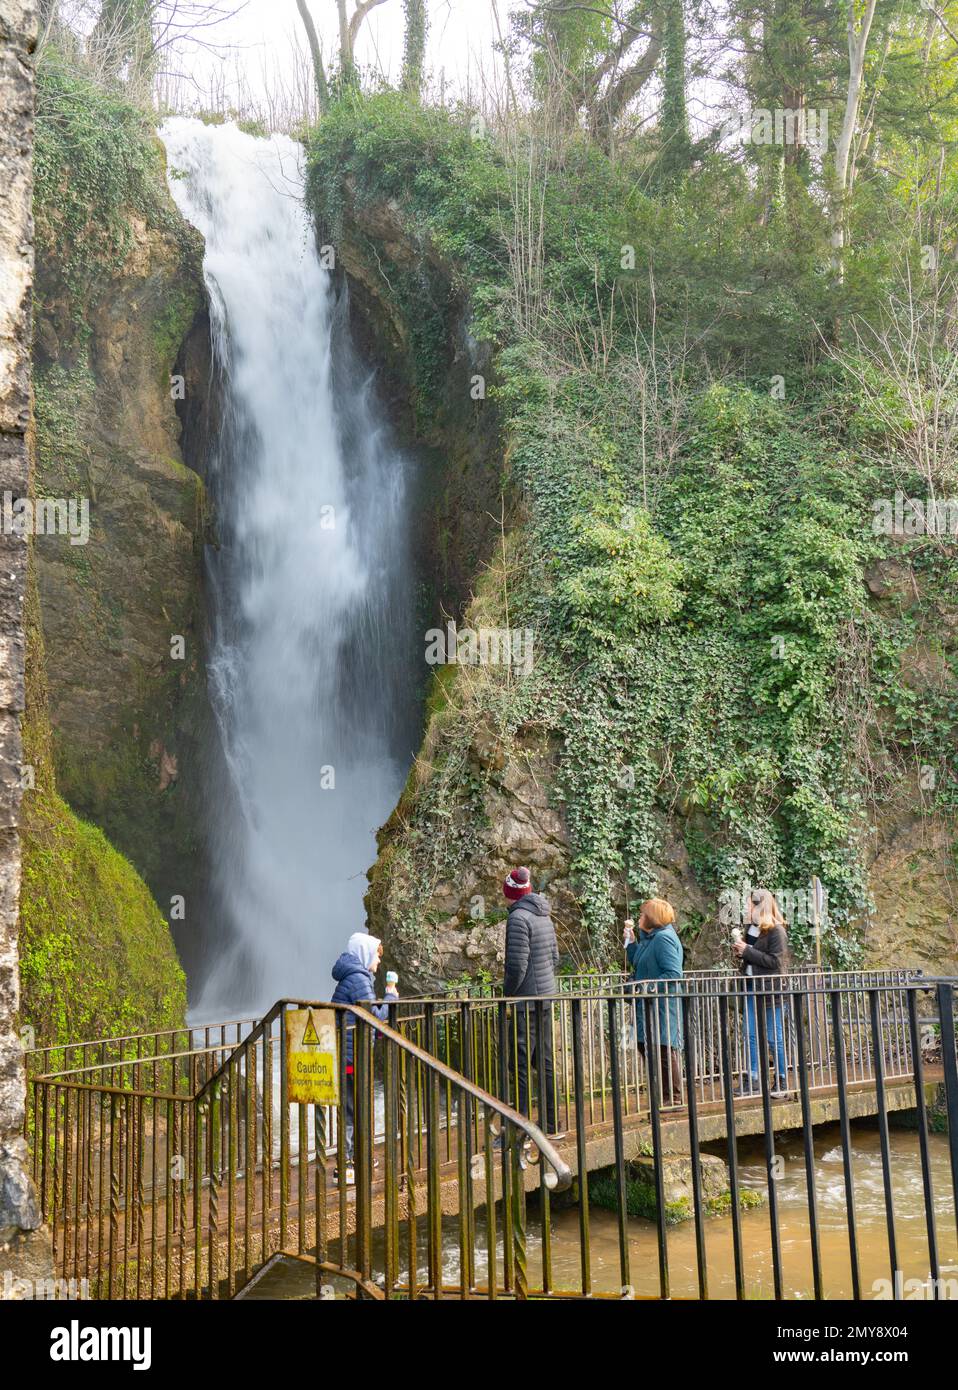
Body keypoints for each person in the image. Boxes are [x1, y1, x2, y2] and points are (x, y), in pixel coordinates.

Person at [330, 931, 398, 1185]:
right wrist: (391, 995)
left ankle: (358, 1157)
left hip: (349, 1053)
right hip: (351, 1057)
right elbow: (374, 1017)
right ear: (365, 954)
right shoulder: (359, 979)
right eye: (377, 957)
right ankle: (348, 1164)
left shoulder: (355, 977)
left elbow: (363, 1013)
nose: (379, 963)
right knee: (352, 1107)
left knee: (355, 1105)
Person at [502, 866, 564, 1137]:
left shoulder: (518, 918)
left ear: (511, 893)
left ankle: (522, 1126)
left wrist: (508, 994)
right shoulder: (544, 915)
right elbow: (555, 958)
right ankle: (550, 1124)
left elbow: (516, 965)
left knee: (521, 1062)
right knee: (546, 1060)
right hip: (546, 997)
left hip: (526, 1000)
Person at [625, 898, 684, 1105]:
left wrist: (646, 987)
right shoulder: (650, 938)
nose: (640, 917)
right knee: (645, 1045)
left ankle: (673, 1098)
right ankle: (661, 1095)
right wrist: (631, 943)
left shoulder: (663, 939)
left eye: (643, 915)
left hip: (662, 1005)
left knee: (664, 1048)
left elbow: (674, 973)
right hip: (646, 1005)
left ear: (652, 918)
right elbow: (638, 961)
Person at [731, 890, 789, 1097]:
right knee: (750, 1034)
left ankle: (781, 1081)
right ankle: (753, 1079)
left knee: (774, 1037)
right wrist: (741, 952)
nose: (747, 909)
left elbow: (776, 961)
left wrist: (747, 951)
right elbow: (754, 956)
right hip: (751, 986)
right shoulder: (751, 929)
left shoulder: (776, 931)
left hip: (772, 990)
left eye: (749, 906)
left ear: (760, 907)